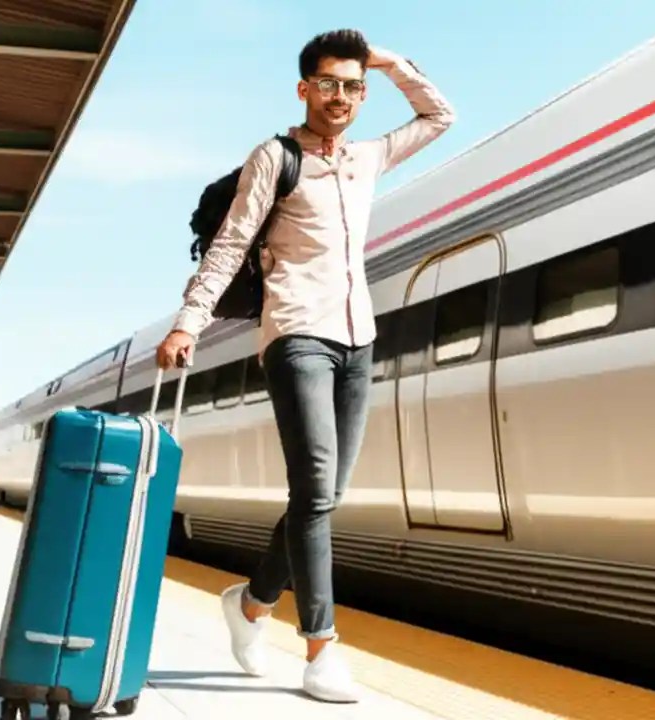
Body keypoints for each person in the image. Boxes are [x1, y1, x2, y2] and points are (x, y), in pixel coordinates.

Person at [155, 29, 454, 702]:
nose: (341, 97)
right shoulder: (276, 157)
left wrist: (392, 63)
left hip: (358, 340)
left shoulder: (368, 157)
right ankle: (321, 650)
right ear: (304, 89)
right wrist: (188, 321)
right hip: (296, 335)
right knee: (316, 488)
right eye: (328, 84)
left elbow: (440, 117)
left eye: (353, 87)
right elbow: (232, 242)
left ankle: (251, 606)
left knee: (322, 497)